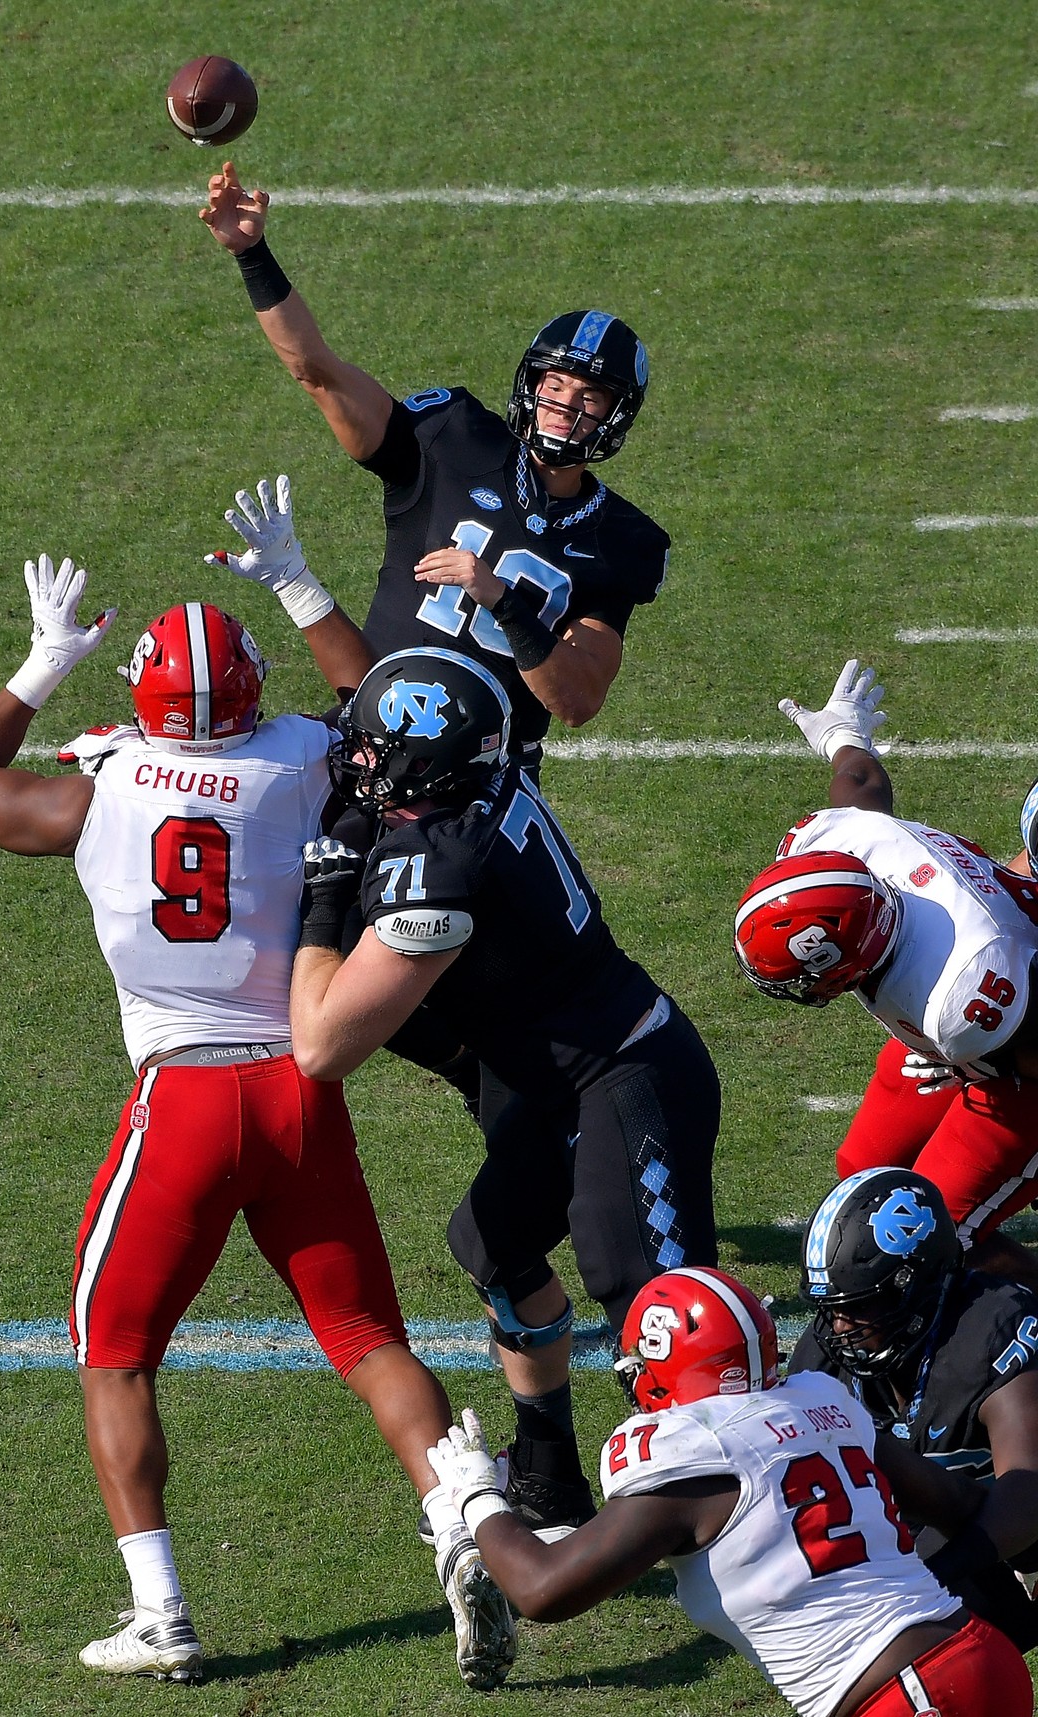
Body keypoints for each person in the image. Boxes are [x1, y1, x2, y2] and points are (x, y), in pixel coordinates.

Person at [0, 556, 516, 1691]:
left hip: (185, 1100)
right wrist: (299, 587)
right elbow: (387, 710)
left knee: (115, 1354)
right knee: (368, 1335)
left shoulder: (99, 785)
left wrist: (43, 663)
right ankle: (461, 1515)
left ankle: (161, 1611)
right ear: (252, 686)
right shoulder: (308, 759)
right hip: (300, 1087)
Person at [285, 643, 721, 1543]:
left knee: (669, 1317)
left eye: (372, 749)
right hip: (561, 1078)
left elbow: (323, 1045)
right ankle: (549, 1477)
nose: (354, 759)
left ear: (422, 768)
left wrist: (324, 906)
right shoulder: (469, 791)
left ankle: (755, 1507)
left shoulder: (439, 863)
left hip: (626, 1074)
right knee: (492, 1243)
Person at [199, 163, 670, 761]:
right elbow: (316, 373)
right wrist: (252, 255)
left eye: (589, 396)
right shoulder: (453, 438)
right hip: (367, 734)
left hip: (485, 776)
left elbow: (577, 701)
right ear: (530, 386)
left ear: (615, 414)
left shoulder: (623, 539)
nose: (563, 406)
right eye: (554, 385)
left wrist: (501, 599)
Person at [427, 1265, 1035, 1717]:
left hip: (907, 1695)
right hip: (980, 1655)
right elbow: (963, 1504)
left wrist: (478, 1497)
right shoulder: (825, 1406)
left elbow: (541, 1589)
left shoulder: (690, 1468)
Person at [732, 658, 1038, 1286]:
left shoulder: (963, 995)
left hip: (1017, 1056)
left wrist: (973, 1060)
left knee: (931, 1235)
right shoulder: (846, 845)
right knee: (864, 1177)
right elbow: (860, 782)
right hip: (991, 992)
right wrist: (843, 735)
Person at [788, 1167, 1038, 1650]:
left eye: (860, 1305)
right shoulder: (824, 1358)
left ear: (916, 1285)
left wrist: (932, 1577)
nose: (840, 1327)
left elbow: (1028, 1494)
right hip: (952, 1530)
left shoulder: (993, 1327)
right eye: (832, 1308)